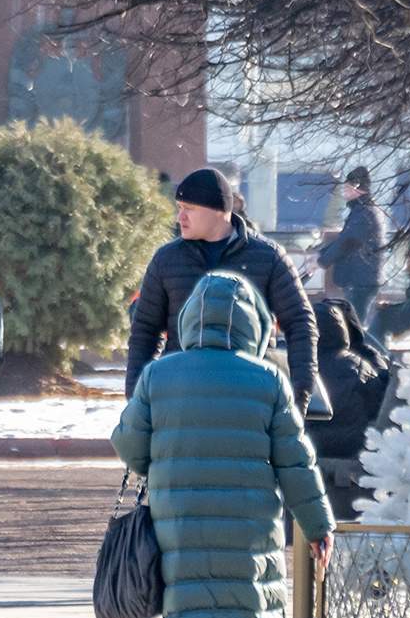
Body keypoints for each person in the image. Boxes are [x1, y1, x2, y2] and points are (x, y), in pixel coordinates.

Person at [113, 271, 336, 618]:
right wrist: (319, 524)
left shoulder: (159, 377)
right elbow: (296, 464)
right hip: (249, 530)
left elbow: (128, 446)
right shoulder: (267, 380)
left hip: (181, 528)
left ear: (190, 321)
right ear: (254, 326)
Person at [125, 167, 319, 413]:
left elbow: (301, 325)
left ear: (218, 211)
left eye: (189, 209)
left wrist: (299, 399)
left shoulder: (268, 258)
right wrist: (136, 401)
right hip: (182, 398)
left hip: (250, 400)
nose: (180, 217)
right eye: (179, 208)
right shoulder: (167, 260)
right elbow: (144, 331)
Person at [307, 299, 391, 461]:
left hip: (308, 442)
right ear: (341, 330)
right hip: (350, 444)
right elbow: (376, 404)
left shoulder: (295, 363)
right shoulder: (359, 364)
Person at [316, 166, 388, 333]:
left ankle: (362, 354)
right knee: (354, 323)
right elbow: (344, 239)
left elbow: (347, 242)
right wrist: (320, 255)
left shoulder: (364, 213)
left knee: (355, 326)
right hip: (361, 278)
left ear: (357, 187)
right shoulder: (362, 211)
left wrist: (321, 261)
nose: (344, 191)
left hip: (361, 280)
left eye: (347, 186)